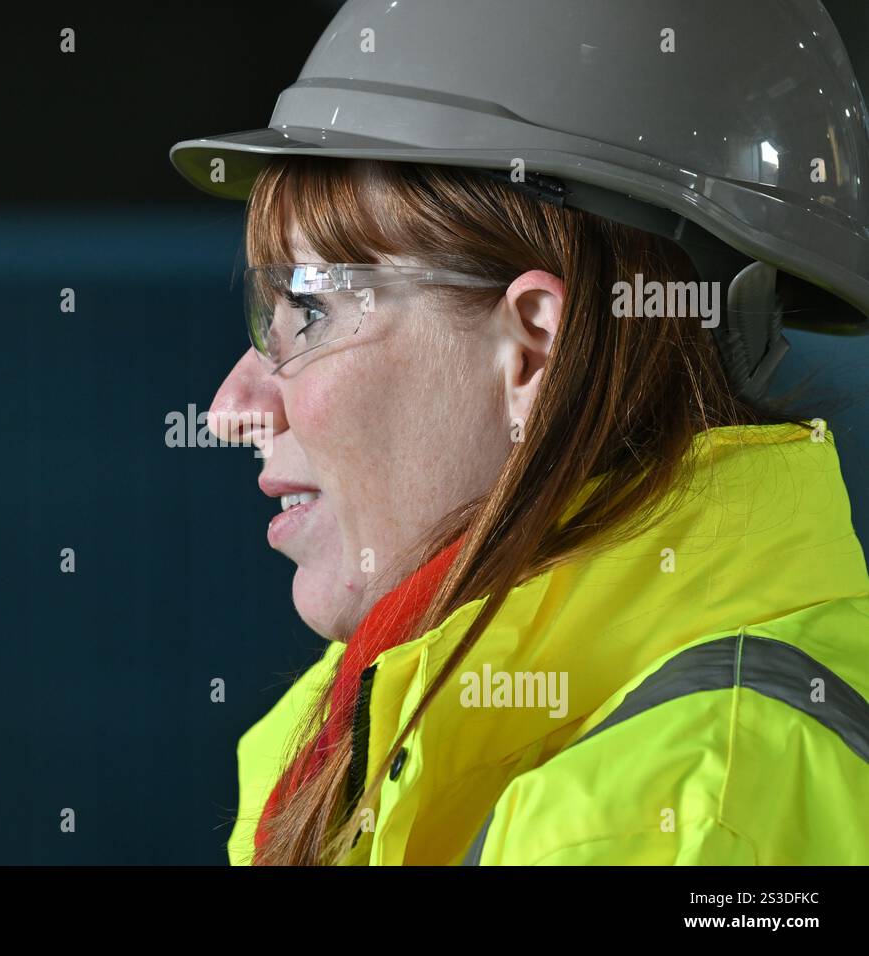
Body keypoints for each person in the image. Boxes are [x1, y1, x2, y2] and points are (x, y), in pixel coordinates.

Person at [169, 0, 869, 865]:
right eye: (263, 313)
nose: (232, 407)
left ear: (531, 348)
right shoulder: (359, 729)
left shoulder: (697, 809)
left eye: (307, 310)